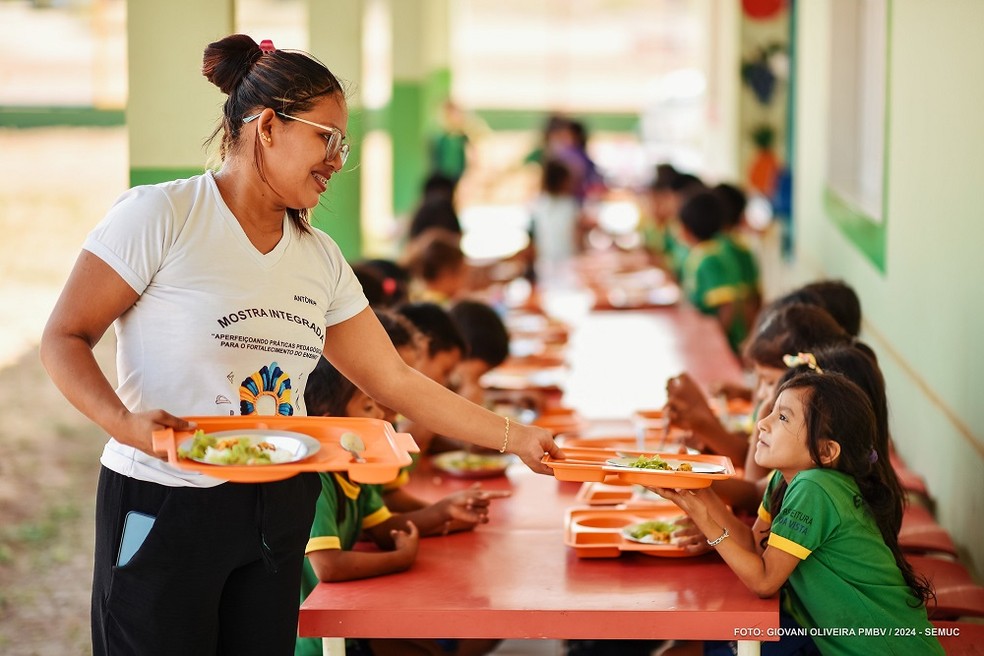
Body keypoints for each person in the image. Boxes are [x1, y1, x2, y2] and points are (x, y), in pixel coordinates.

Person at [38, 33, 560, 656]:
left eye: (343, 142)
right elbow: (64, 337)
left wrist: (517, 437)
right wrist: (123, 423)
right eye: (326, 137)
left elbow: (394, 381)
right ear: (265, 128)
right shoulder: (162, 217)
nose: (338, 159)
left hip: (279, 507)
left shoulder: (320, 259)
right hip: (166, 505)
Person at [652, 372, 943, 656]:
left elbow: (764, 581)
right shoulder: (785, 479)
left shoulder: (814, 487)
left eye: (782, 417)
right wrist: (699, 491)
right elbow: (755, 546)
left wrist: (701, 514)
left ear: (826, 450)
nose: (762, 424)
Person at [297, 355, 506, 656]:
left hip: (348, 623)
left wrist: (444, 512)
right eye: (369, 406)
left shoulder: (358, 469)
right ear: (333, 425)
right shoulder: (317, 481)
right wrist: (400, 559)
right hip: (318, 641)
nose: (384, 415)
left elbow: (381, 528)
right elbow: (328, 565)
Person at [676, 188, 750, 354]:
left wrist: (715, 341)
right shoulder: (703, 253)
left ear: (686, 230)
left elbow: (727, 307)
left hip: (723, 342)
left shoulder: (711, 260)